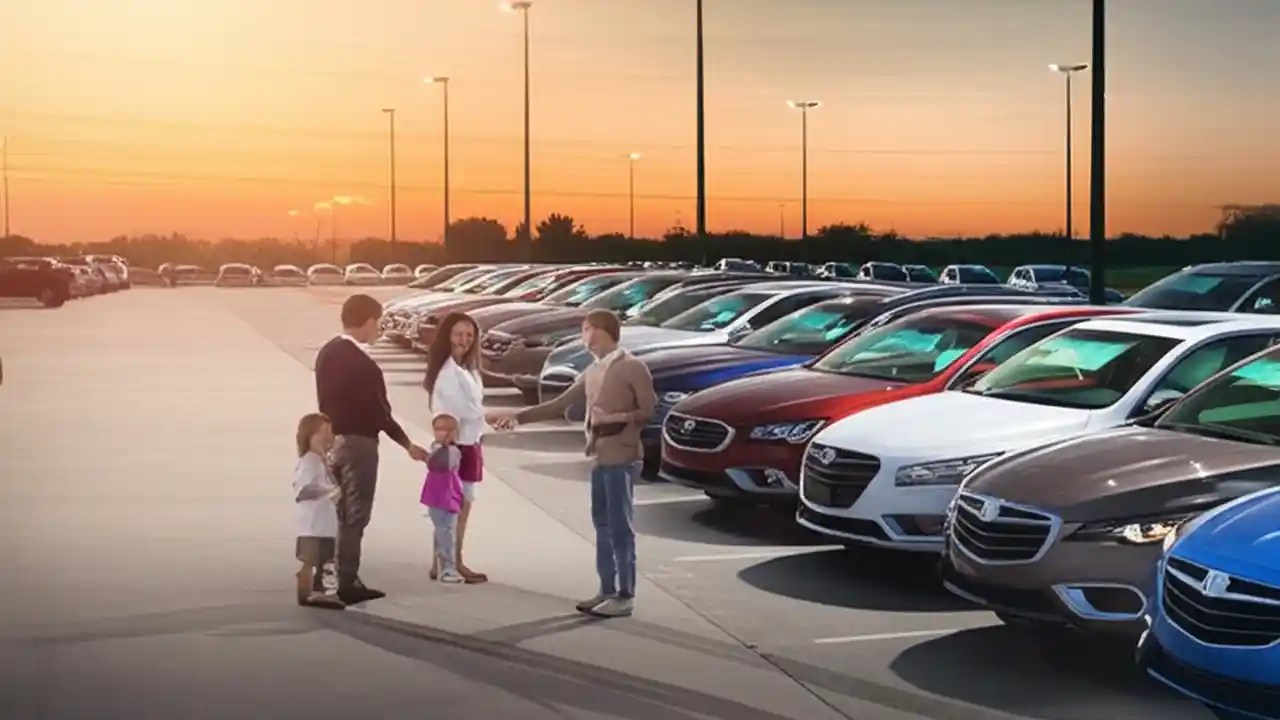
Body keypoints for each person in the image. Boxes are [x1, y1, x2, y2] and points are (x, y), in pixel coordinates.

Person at [495, 309, 657, 618]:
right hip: (598, 454)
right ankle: (607, 590)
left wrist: (615, 419)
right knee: (603, 525)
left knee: (621, 527)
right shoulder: (593, 370)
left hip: (621, 456)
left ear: (601, 331)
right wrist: (517, 417)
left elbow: (649, 409)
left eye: (585, 329)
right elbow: (559, 405)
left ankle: (626, 595)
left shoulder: (632, 366)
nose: (583, 335)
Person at [315, 294, 426, 605]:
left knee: (332, 512)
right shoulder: (365, 365)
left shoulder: (327, 353)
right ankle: (348, 581)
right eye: (378, 323)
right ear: (367, 322)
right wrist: (407, 444)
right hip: (359, 446)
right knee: (355, 516)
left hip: (331, 442)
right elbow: (380, 414)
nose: (379, 330)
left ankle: (323, 577)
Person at [423, 312, 498, 583]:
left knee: (454, 507)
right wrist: (490, 416)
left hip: (470, 444)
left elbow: (473, 410)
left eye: (469, 335)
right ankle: (452, 562)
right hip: (457, 448)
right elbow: (465, 410)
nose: (464, 340)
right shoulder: (448, 372)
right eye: (458, 334)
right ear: (447, 336)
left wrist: (485, 420)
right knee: (455, 509)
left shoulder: (467, 369)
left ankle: (443, 561)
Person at [293, 412, 346, 610]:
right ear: (311, 435)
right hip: (313, 524)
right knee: (314, 560)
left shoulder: (320, 460)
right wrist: (329, 491)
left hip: (324, 523)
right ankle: (313, 592)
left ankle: (318, 591)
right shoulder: (309, 461)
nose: (329, 436)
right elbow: (302, 490)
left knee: (324, 559)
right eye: (324, 432)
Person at [419, 413, 465, 585]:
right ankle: (447, 568)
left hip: (450, 494)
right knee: (445, 531)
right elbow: (437, 464)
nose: (443, 433)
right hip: (439, 495)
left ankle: (440, 566)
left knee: (445, 530)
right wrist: (439, 449)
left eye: (448, 430)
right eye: (439, 429)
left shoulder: (453, 450)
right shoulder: (438, 450)